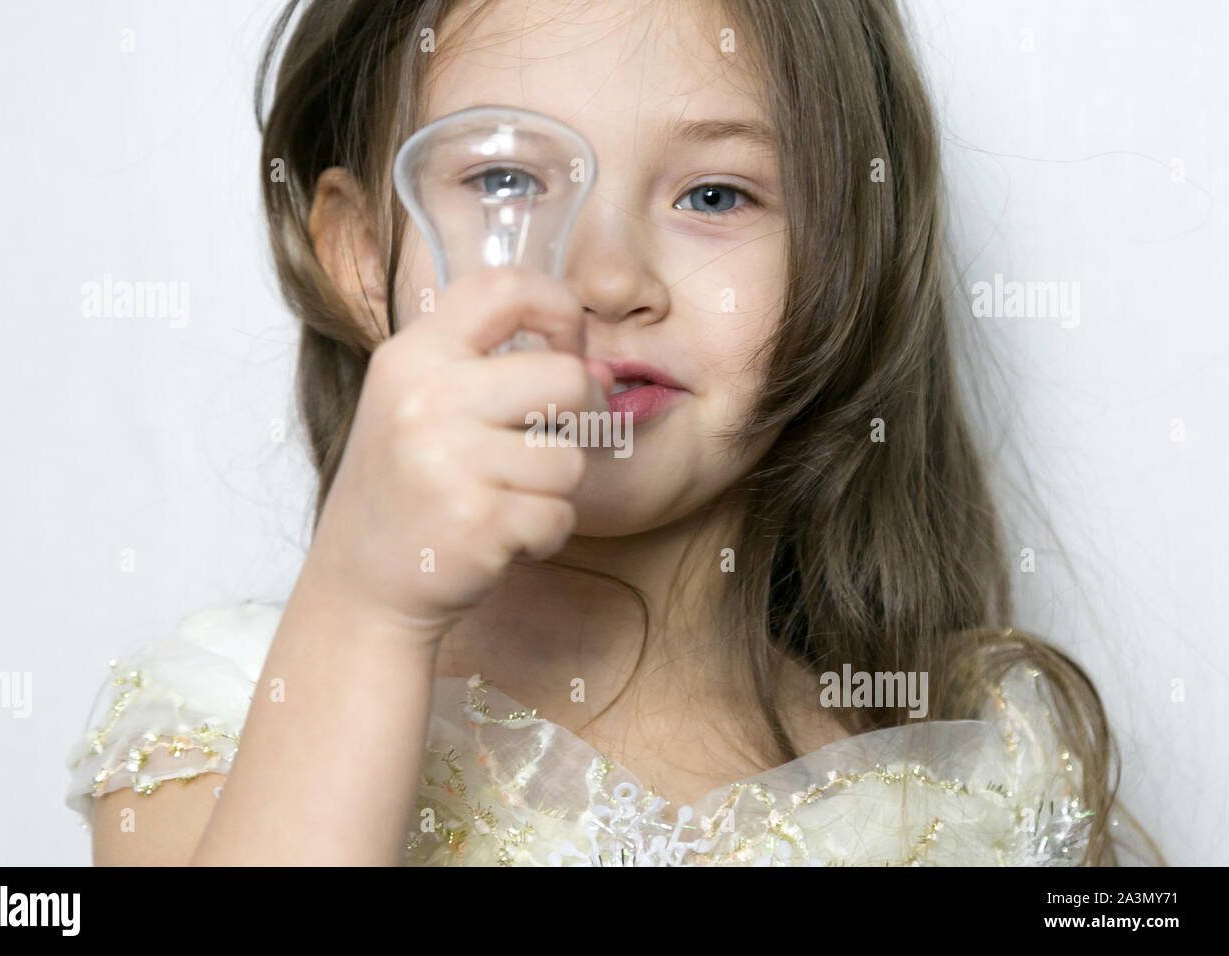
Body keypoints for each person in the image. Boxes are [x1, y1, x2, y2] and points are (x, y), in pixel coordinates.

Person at [65, 0, 1164, 866]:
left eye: (717, 196)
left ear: (844, 249)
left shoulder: (988, 776)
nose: (605, 277)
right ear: (361, 257)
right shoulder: (226, 717)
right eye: (504, 181)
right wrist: (364, 609)